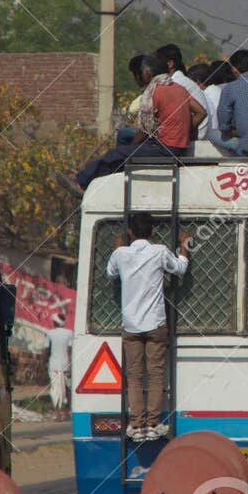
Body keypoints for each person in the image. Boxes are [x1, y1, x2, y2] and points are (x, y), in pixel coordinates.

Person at [106, 212, 191, 441]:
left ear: (130, 232)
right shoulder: (160, 251)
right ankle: (153, 424)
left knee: (134, 376)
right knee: (155, 374)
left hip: (131, 324)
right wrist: (184, 248)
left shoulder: (121, 254)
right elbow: (180, 269)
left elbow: (110, 273)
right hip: (155, 322)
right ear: (152, 232)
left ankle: (136, 424)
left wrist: (116, 249)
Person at [75, 55, 201, 188]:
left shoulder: (153, 91)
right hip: (179, 147)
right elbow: (201, 112)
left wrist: (132, 147)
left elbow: (146, 129)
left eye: (137, 74)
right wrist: (183, 131)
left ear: (147, 73)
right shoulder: (179, 88)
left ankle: (81, 183)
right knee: (125, 148)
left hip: (164, 149)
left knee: (114, 154)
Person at [154, 44, 212, 140]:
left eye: (157, 62)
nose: (154, 67)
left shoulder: (175, 83)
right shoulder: (178, 80)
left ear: (170, 64)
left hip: (195, 134)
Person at [44, 314, 73, 421]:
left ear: (55, 322)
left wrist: (43, 363)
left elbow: (46, 350)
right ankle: (67, 412)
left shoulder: (49, 333)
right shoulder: (69, 333)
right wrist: (70, 366)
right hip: (66, 365)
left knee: (55, 389)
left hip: (53, 365)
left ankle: (57, 413)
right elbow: (70, 351)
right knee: (67, 388)